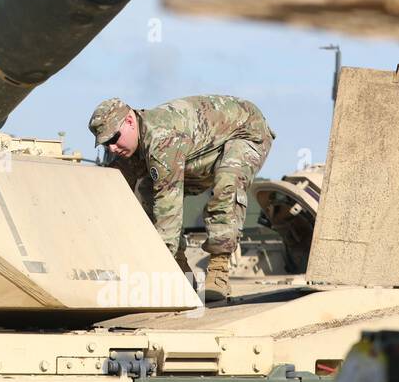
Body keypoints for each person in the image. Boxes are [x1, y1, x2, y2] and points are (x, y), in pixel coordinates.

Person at [88, 95, 274, 302]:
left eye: (114, 138)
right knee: (148, 190)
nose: (112, 148)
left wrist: (156, 271)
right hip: (202, 152)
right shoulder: (130, 147)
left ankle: (218, 271)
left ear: (130, 122)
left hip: (245, 133)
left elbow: (169, 213)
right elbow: (114, 199)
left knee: (227, 182)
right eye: (106, 144)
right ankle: (183, 275)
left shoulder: (162, 139)